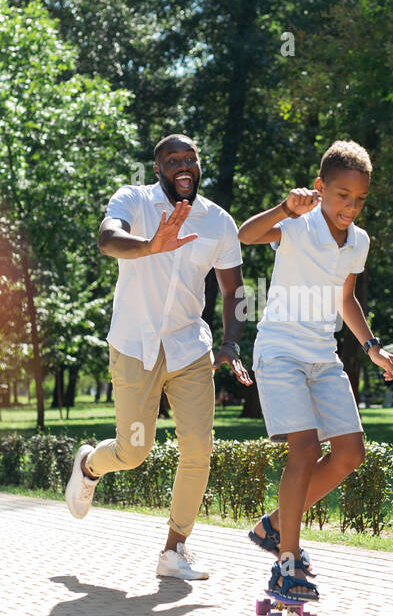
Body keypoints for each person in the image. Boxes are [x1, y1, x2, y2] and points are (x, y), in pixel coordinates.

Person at [64, 134, 252, 579]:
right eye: (173, 160)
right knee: (134, 451)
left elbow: (234, 290)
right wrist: (151, 245)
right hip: (135, 345)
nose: (183, 166)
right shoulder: (133, 200)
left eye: (190, 158)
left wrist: (230, 343)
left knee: (198, 448)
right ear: (158, 169)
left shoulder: (218, 222)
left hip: (190, 348)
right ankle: (90, 464)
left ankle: (174, 550)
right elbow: (108, 239)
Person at [238, 140, 393, 603]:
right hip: (280, 352)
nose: (350, 206)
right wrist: (283, 208)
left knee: (351, 453)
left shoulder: (359, 241)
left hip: (323, 355)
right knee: (306, 448)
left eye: (359, 199)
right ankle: (287, 561)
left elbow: (345, 298)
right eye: (341, 195)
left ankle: (273, 525)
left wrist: (371, 347)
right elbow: (246, 236)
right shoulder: (296, 223)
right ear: (320, 188)